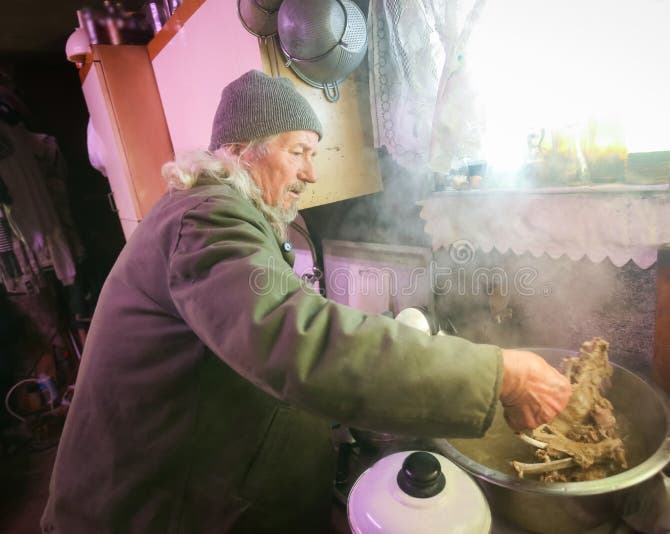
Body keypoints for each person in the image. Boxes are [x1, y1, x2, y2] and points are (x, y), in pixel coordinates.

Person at [41, 70, 571, 533]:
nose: (311, 173)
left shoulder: (219, 215)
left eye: (314, 155)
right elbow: (298, 339)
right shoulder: (205, 221)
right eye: (298, 151)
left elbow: (276, 325)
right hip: (147, 511)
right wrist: (501, 372)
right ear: (244, 148)